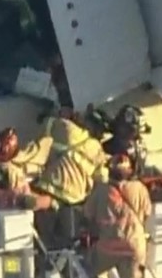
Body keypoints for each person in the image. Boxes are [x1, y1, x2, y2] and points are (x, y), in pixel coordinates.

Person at [19, 105, 109, 249]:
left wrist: (53, 113)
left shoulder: (69, 129)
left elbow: (48, 122)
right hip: (73, 204)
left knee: (39, 241)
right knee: (65, 246)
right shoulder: (98, 151)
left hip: (48, 191)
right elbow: (102, 180)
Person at [82, 153, 153, 278]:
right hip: (134, 246)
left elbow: (87, 214)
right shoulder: (140, 188)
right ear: (131, 170)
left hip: (108, 247)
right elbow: (147, 213)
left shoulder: (101, 190)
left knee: (87, 267)